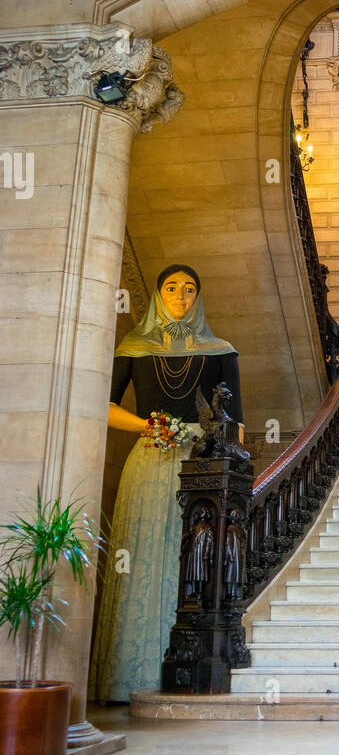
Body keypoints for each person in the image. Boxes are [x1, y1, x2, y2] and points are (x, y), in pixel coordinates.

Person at [89, 265, 242, 701]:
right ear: (158, 295)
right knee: (139, 554)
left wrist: (219, 456)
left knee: (191, 557)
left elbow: (238, 425)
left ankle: (186, 668)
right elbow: (101, 405)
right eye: (171, 288)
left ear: (198, 297)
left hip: (201, 468)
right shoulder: (134, 348)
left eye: (189, 288)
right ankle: (127, 677)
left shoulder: (221, 351)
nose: (180, 295)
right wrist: (146, 425)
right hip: (148, 460)